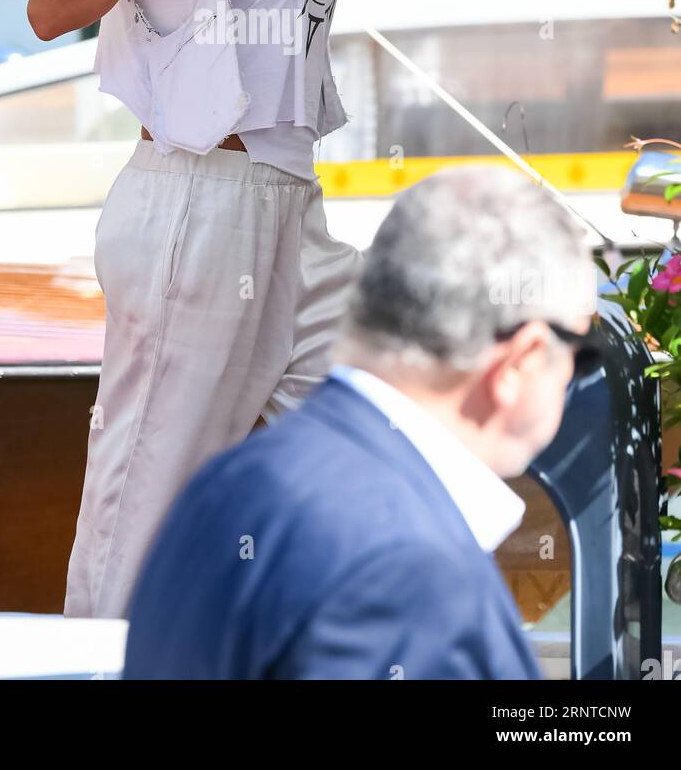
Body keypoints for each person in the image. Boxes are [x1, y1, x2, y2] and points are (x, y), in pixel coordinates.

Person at [28, 0, 365, 619]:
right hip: (194, 205)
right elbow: (49, 1)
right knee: (142, 519)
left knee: (380, 414)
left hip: (284, 205)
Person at [121, 164, 602, 679]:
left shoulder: (228, 480)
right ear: (521, 360)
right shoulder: (414, 571)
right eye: (584, 350)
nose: (576, 373)